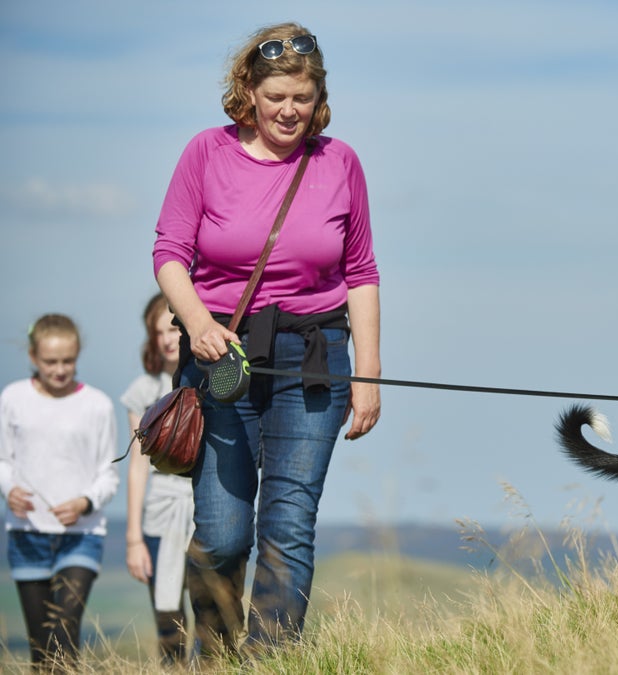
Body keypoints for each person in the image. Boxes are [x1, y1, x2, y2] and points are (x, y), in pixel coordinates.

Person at [152, 22, 381, 658]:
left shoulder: (340, 163)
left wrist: (368, 373)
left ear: (318, 98)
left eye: (301, 98)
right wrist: (197, 323)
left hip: (315, 358)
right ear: (248, 91)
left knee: (288, 526)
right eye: (276, 95)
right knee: (223, 534)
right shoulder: (206, 152)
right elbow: (170, 252)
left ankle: (270, 664)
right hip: (222, 355)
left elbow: (360, 273)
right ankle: (217, 659)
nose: (289, 110)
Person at [0, 314, 119, 670]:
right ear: (34, 358)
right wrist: (9, 490)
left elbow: (108, 475)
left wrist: (86, 502)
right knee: (41, 650)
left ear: (77, 356)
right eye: (51, 362)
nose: (60, 369)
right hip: (27, 536)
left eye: (68, 361)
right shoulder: (13, 398)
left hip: (80, 536)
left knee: (63, 636)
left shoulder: (97, 405)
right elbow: (2, 460)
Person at [121, 293, 192, 664]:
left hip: (201, 509)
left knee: (212, 610)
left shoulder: (210, 381)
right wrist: (134, 538)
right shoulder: (144, 390)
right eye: (157, 331)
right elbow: (137, 465)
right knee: (168, 621)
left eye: (173, 327)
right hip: (159, 516)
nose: (166, 338)